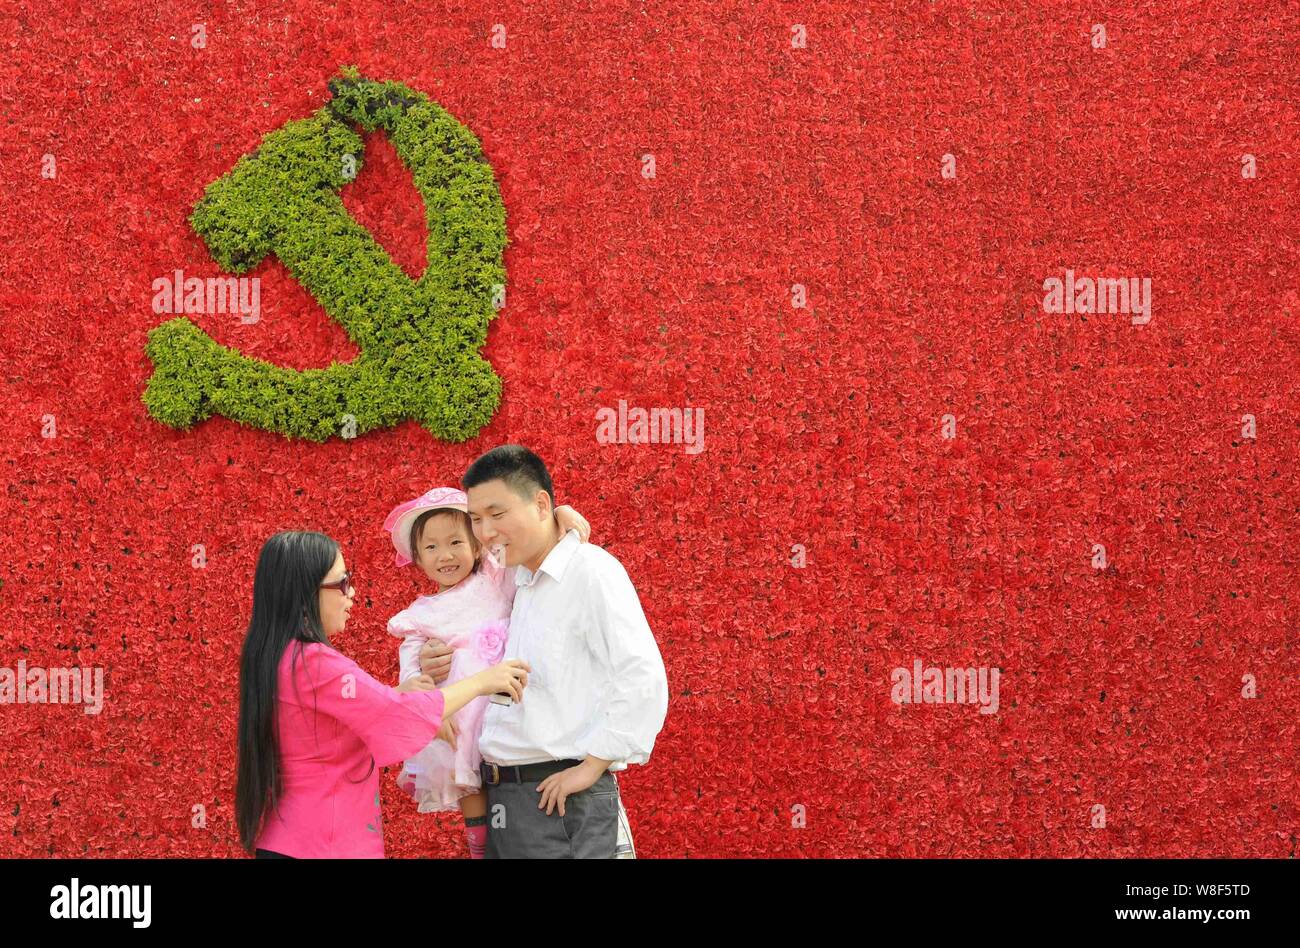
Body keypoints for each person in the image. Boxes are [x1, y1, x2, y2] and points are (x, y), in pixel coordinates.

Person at [422, 444, 668, 858]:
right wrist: (433, 661)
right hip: (506, 800)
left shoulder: (589, 570)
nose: (484, 532)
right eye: (477, 519)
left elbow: (641, 673)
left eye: (497, 515)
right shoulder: (513, 579)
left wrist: (593, 766)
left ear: (540, 505)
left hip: (562, 802)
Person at [234, 530, 529, 858]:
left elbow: (350, 718)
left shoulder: (280, 657)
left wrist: (400, 692)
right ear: (305, 591)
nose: (352, 592)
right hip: (325, 845)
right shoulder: (315, 662)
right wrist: (483, 681)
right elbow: (397, 714)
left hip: (291, 839)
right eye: (342, 582)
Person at [381, 488, 589, 858]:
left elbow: (524, 545)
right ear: (417, 558)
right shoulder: (420, 614)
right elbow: (411, 668)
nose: (445, 555)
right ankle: (479, 847)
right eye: (431, 548)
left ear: (477, 546)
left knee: (507, 780)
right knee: (468, 779)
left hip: (505, 707)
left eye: (456, 542)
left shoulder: (494, 579)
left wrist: (559, 515)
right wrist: (426, 704)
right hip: (460, 715)